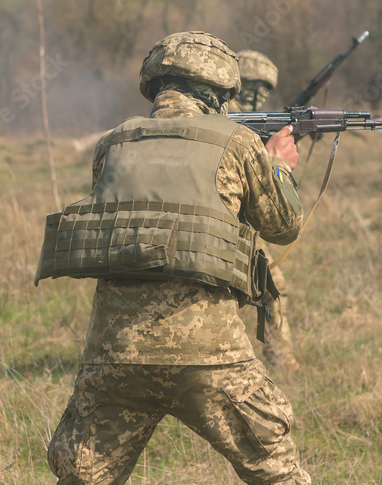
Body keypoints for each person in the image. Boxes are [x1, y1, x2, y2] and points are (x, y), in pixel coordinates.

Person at [35, 31, 311, 484]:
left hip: (115, 353)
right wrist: (278, 165)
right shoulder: (239, 143)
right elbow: (283, 226)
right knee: (277, 472)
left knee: (83, 478)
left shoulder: (113, 143)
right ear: (221, 90)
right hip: (211, 356)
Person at [230, 50, 301, 372]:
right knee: (273, 285)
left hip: (239, 222)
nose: (258, 94)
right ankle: (280, 360)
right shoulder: (225, 120)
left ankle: (278, 358)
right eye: (252, 85)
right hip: (227, 223)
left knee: (272, 286)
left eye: (264, 88)